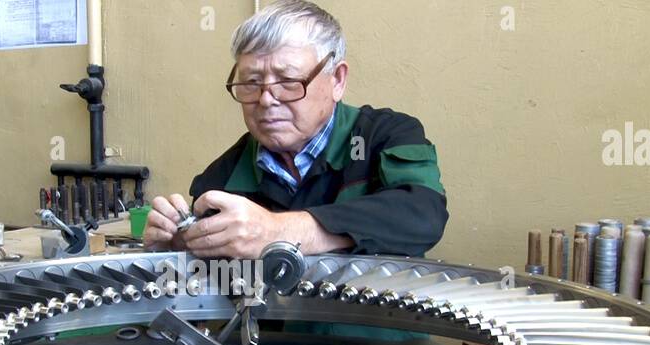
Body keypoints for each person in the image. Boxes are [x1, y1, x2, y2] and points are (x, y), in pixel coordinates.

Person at [143, 0, 448, 261]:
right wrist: (175, 249)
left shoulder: (385, 136)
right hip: (265, 332)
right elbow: (214, 287)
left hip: (375, 327)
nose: (265, 99)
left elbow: (422, 214)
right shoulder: (223, 177)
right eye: (251, 82)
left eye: (288, 80)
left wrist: (278, 231)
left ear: (337, 80)